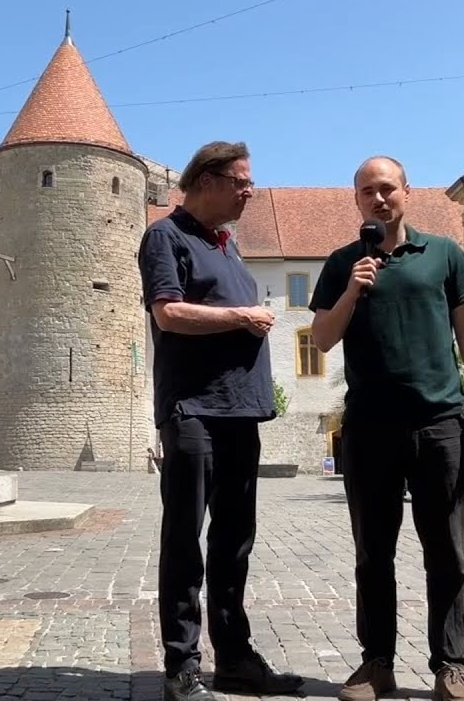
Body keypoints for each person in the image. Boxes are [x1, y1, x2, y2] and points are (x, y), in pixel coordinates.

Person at [309, 156, 464, 701]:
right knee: (373, 551)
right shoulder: (343, 261)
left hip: (438, 422)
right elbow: (322, 338)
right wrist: (352, 289)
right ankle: (377, 665)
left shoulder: (442, 254)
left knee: (446, 550)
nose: (378, 198)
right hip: (369, 428)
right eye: (367, 191)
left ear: (406, 192)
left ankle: (450, 666)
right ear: (357, 200)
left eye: (386, 188)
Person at [138, 141, 302, 701]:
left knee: (235, 542)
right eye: (241, 180)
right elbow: (169, 312)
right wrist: (242, 315)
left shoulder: (227, 246)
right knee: (185, 540)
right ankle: (181, 666)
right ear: (207, 180)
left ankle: (233, 659)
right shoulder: (167, 235)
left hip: (239, 414)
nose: (249, 190)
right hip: (194, 412)